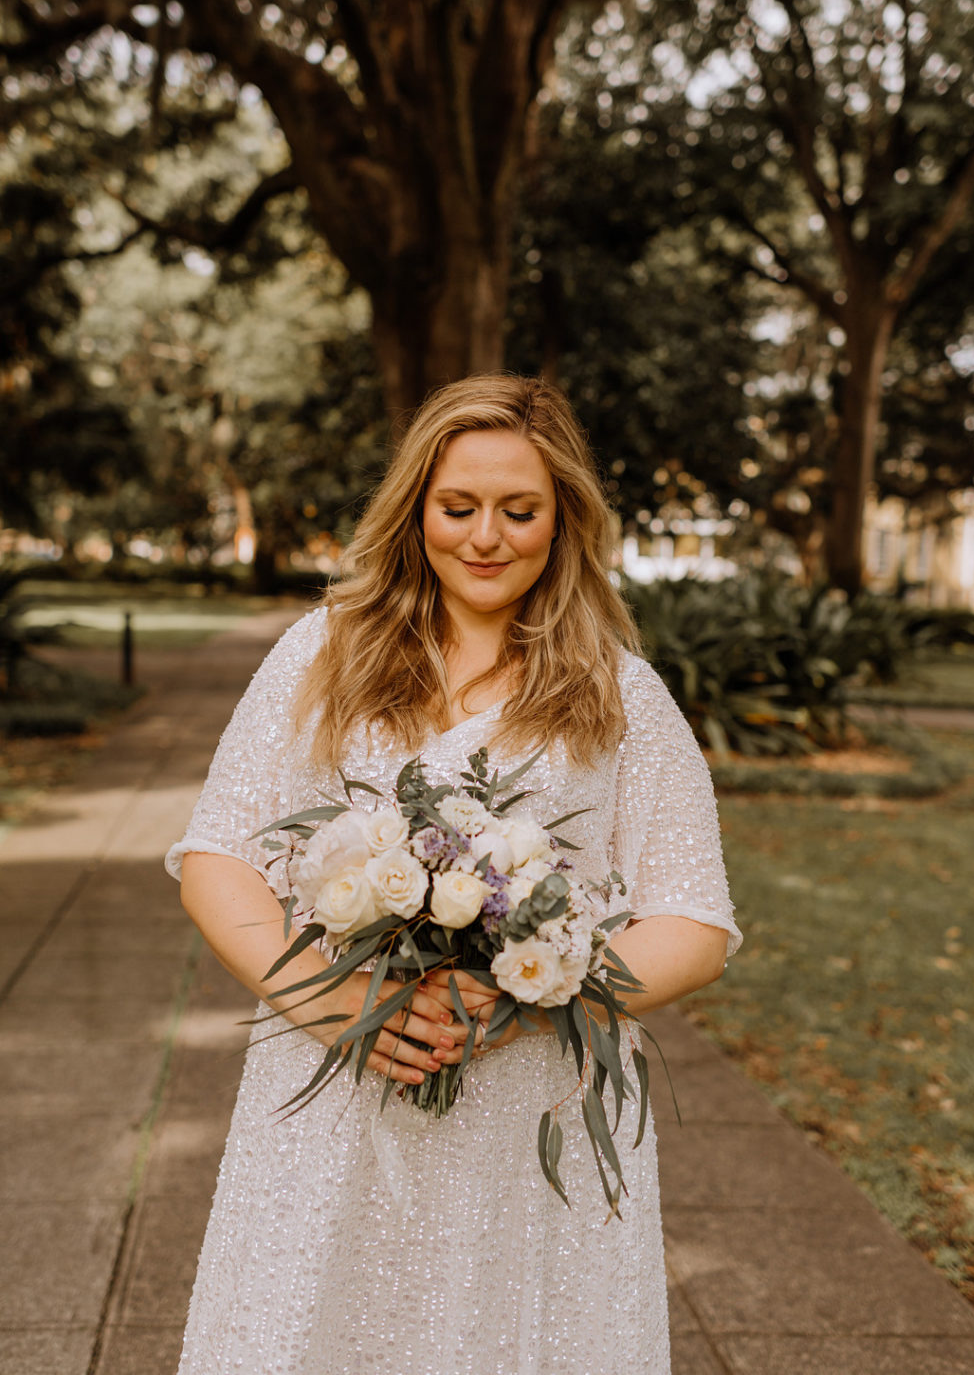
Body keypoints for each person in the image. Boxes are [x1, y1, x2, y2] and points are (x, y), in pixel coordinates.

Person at [166, 373, 741, 1375]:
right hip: (336, 1086)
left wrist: (526, 998)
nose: (486, 537)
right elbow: (218, 857)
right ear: (415, 509)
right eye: (457, 506)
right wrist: (335, 1001)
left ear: (563, 520)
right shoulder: (322, 654)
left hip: (528, 1106)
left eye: (519, 511)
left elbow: (694, 923)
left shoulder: (620, 695)